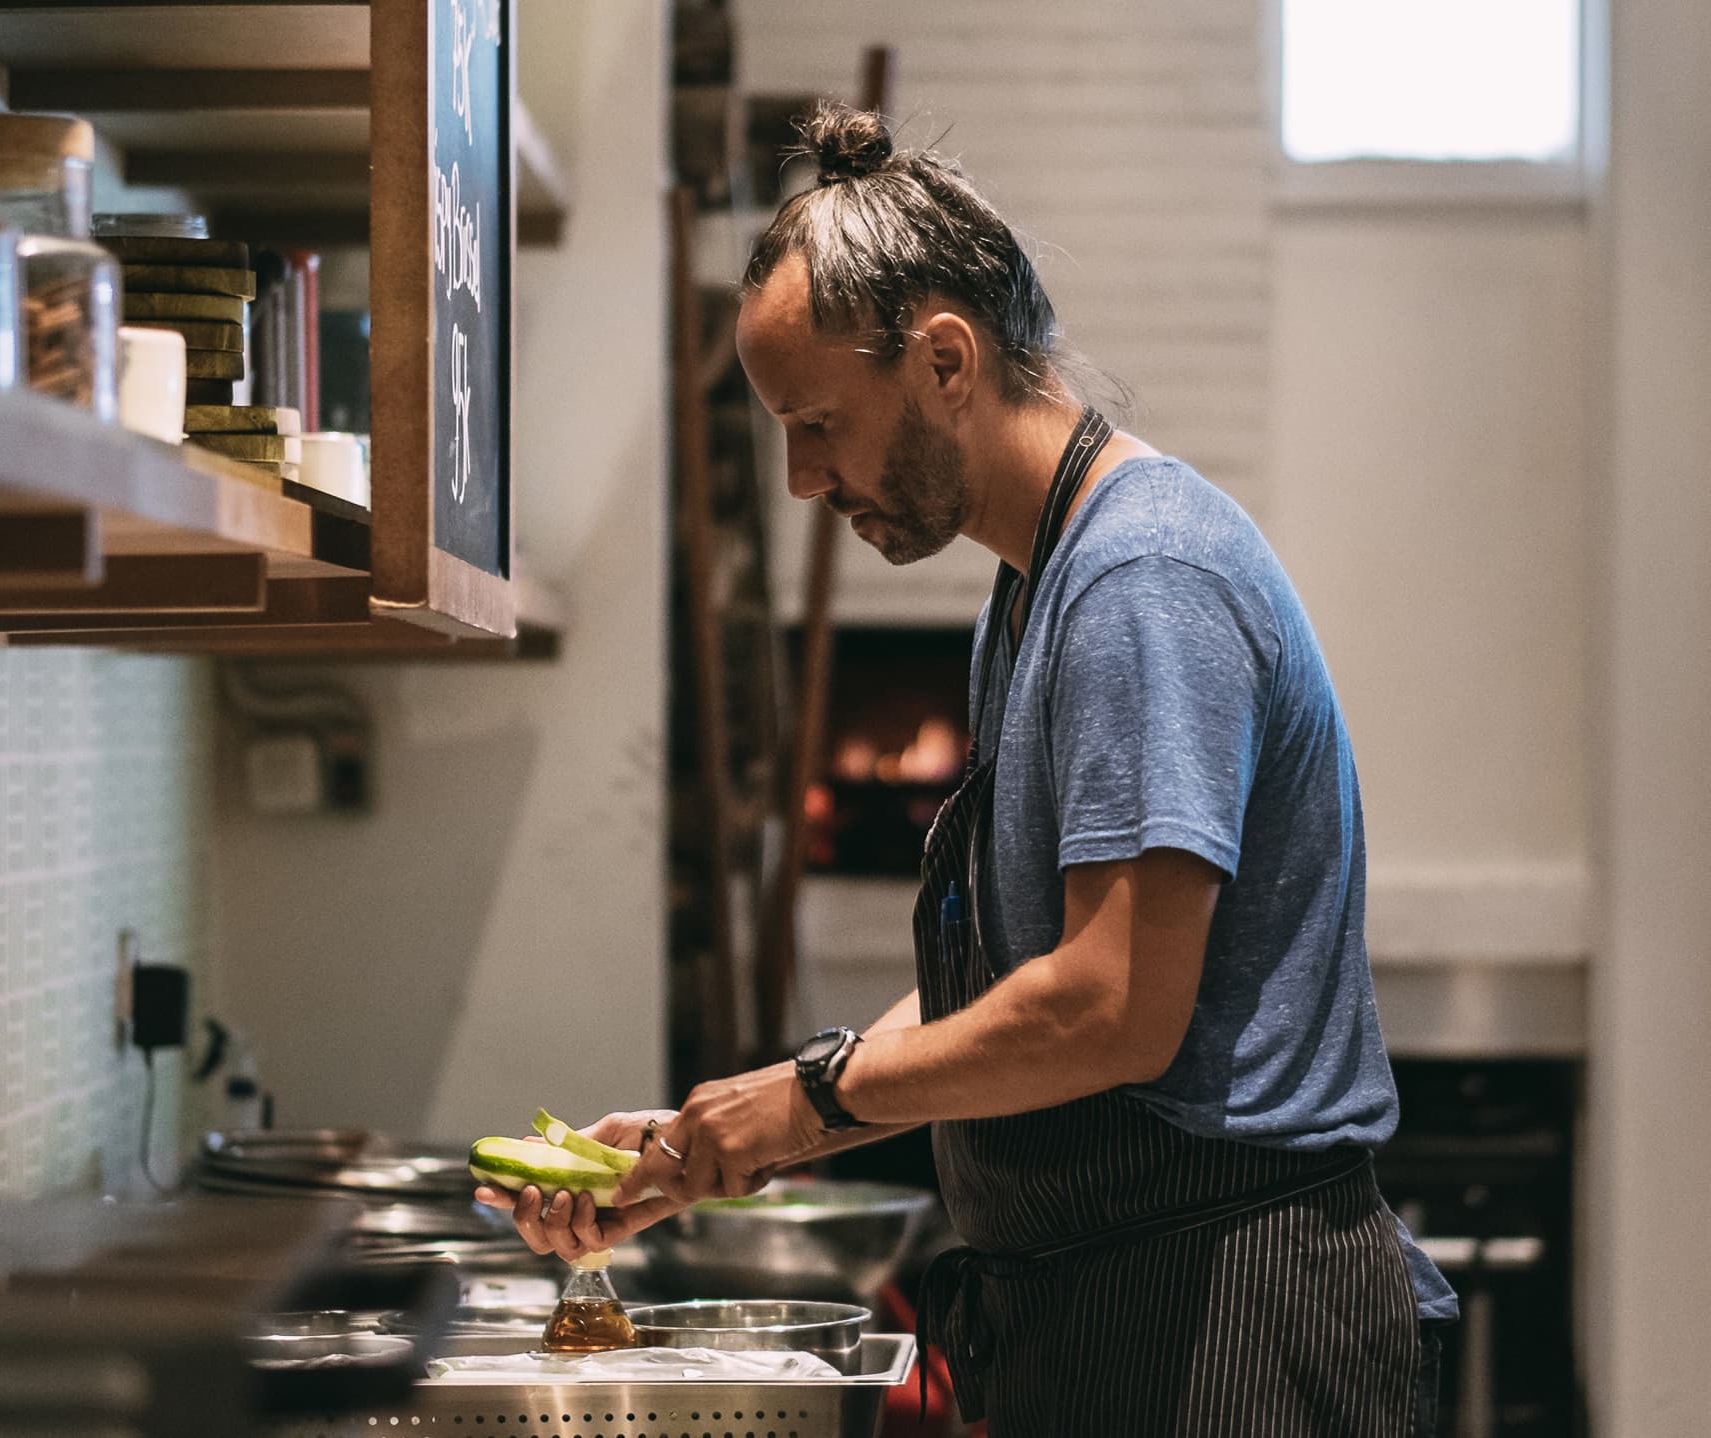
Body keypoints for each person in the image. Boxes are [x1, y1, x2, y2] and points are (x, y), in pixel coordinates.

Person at [476, 101, 1457, 1435]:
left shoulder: (1139, 577)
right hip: (1119, 1308)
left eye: (818, 421)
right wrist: (718, 1145)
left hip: (1230, 1322)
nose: (803, 478)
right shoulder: (1035, 585)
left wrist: (805, 1097)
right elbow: (1005, 992)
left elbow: (1112, 1005)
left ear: (946, 359)